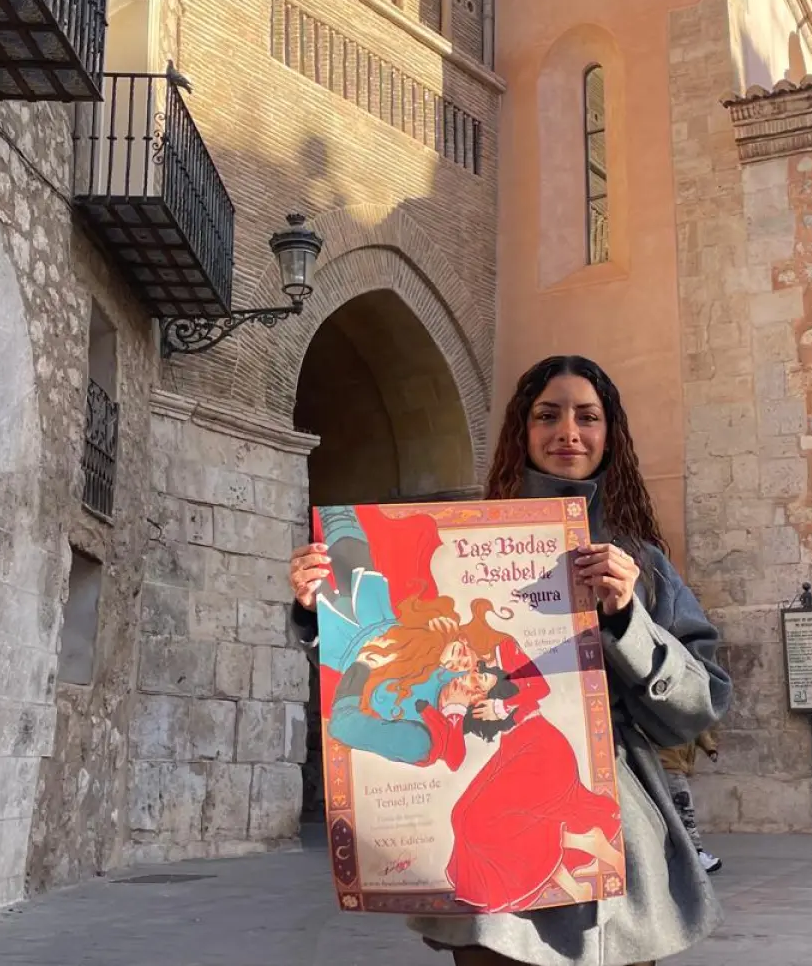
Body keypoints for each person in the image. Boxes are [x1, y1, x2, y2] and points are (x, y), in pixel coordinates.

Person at [290, 354, 732, 966]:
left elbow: (699, 706)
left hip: (610, 849)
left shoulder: (642, 561)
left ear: (610, 434)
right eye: (547, 416)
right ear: (522, 432)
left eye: (587, 417)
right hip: (480, 843)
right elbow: (383, 657)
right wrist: (325, 608)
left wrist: (627, 619)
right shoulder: (461, 546)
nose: (567, 433)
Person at [657, 730, 722, 874]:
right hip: (668, 763)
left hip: (676, 763)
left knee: (676, 812)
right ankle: (696, 855)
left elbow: (697, 724)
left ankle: (682, 855)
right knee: (684, 811)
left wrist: (709, 747)